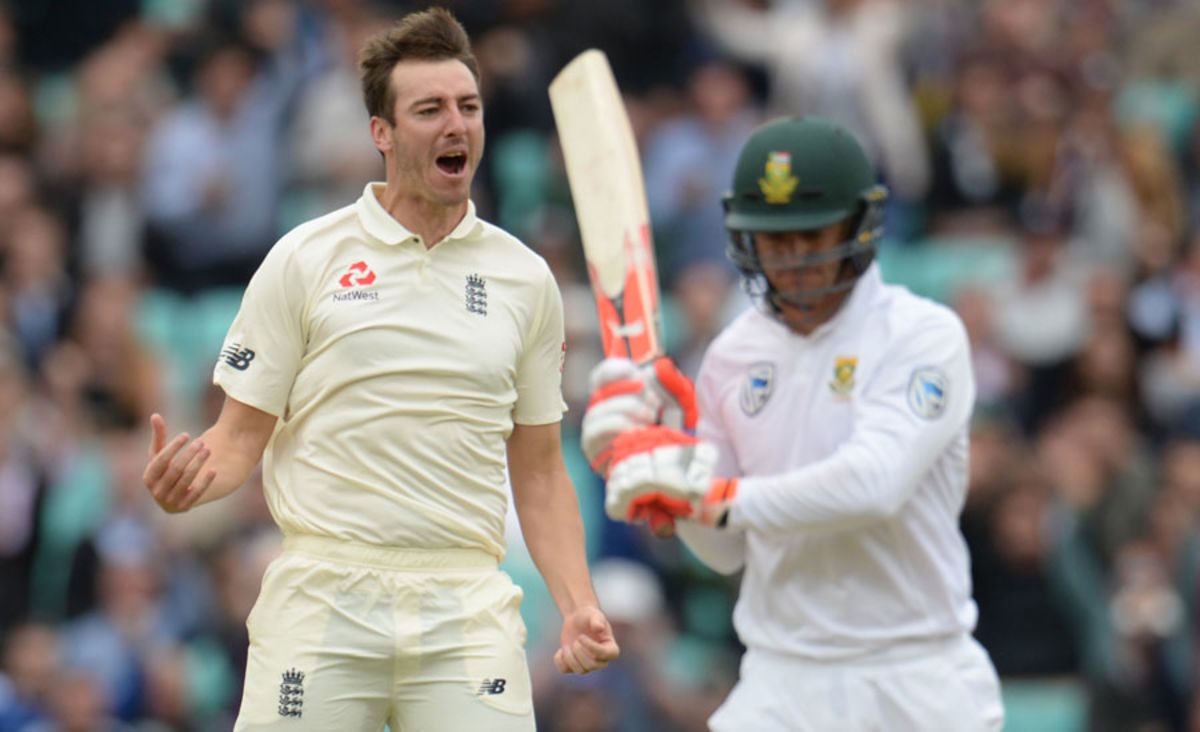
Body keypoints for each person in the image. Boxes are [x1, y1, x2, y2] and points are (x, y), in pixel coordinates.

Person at [141, 8, 618, 730]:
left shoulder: (526, 280)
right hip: (325, 596)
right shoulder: (306, 258)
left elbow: (542, 472)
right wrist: (189, 483)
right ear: (382, 133)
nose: (456, 125)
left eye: (468, 107)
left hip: (464, 604)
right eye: (429, 110)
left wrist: (578, 605)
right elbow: (239, 439)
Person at [583, 116, 1004, 730]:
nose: (793, 258)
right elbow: (725, 551)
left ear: (859, 225)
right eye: (774, 239)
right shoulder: (732, 355)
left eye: (812, 234)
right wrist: (670, 487)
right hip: (781, 678)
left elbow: (873, 485)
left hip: (914, 676)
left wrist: (712, 497)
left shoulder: (922, 337)